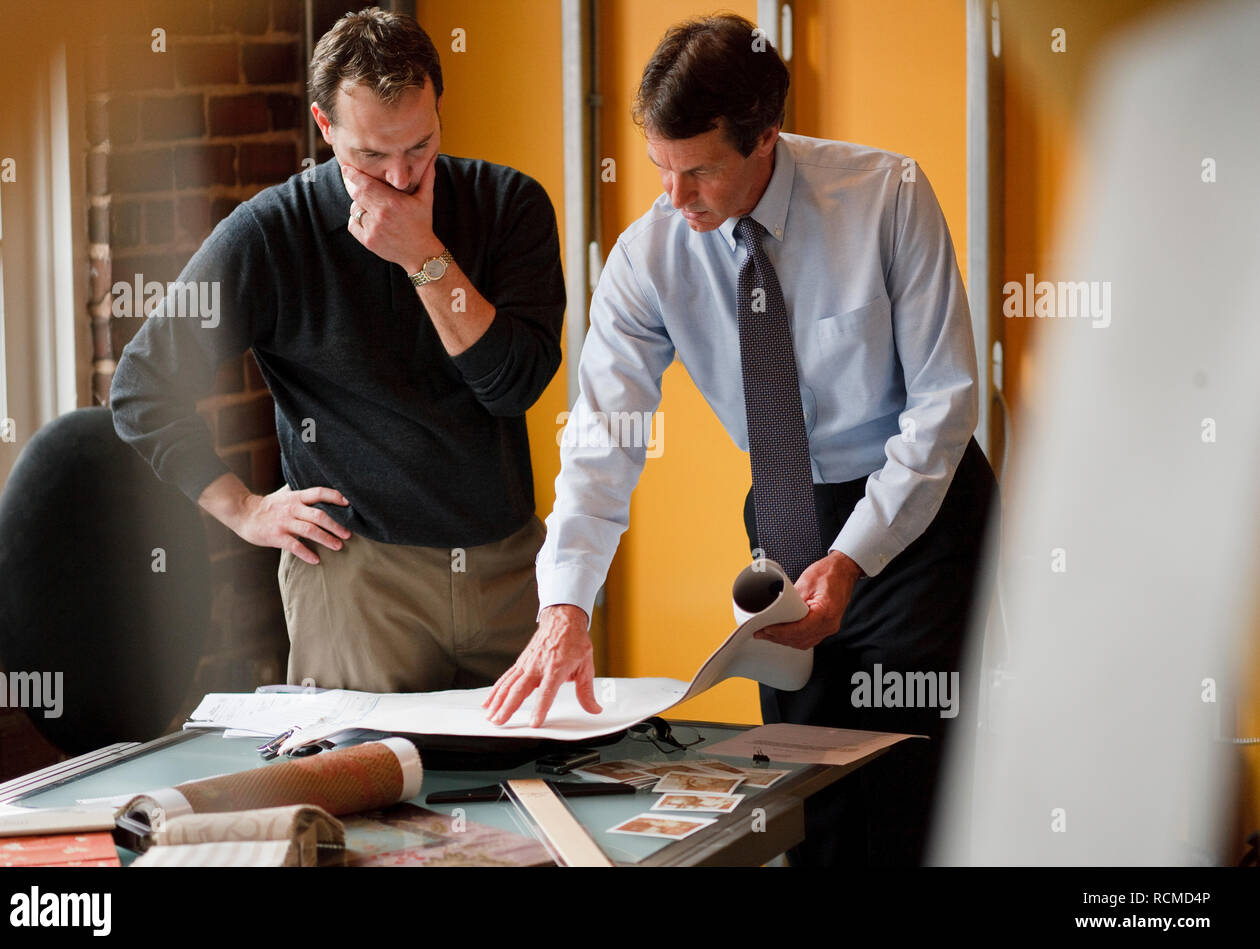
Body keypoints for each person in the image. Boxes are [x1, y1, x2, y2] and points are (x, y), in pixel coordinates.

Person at [484, 14, 997, 866]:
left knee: (914, 794)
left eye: (699, 172)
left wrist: (857, 555)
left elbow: (945, 402)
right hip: (790, 520)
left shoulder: (886, 197)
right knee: (802, 795)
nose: (677, 198)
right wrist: (566, 603)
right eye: (661, 169)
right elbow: (603, 439)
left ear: (765, 137)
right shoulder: (649, 258)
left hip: (920, 518)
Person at [111, 10, 564, 694]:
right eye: (371, 157)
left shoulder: (511, 205)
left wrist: (424, 256)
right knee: (365, 787)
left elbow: (512, 385)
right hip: (357, 578)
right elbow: (143, 385)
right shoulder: (271, 234)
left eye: (419, 145)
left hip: (507, 565)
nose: (402, 176)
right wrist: (244, 509)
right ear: (325, 128)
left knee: (536, 779)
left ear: (438, 105)